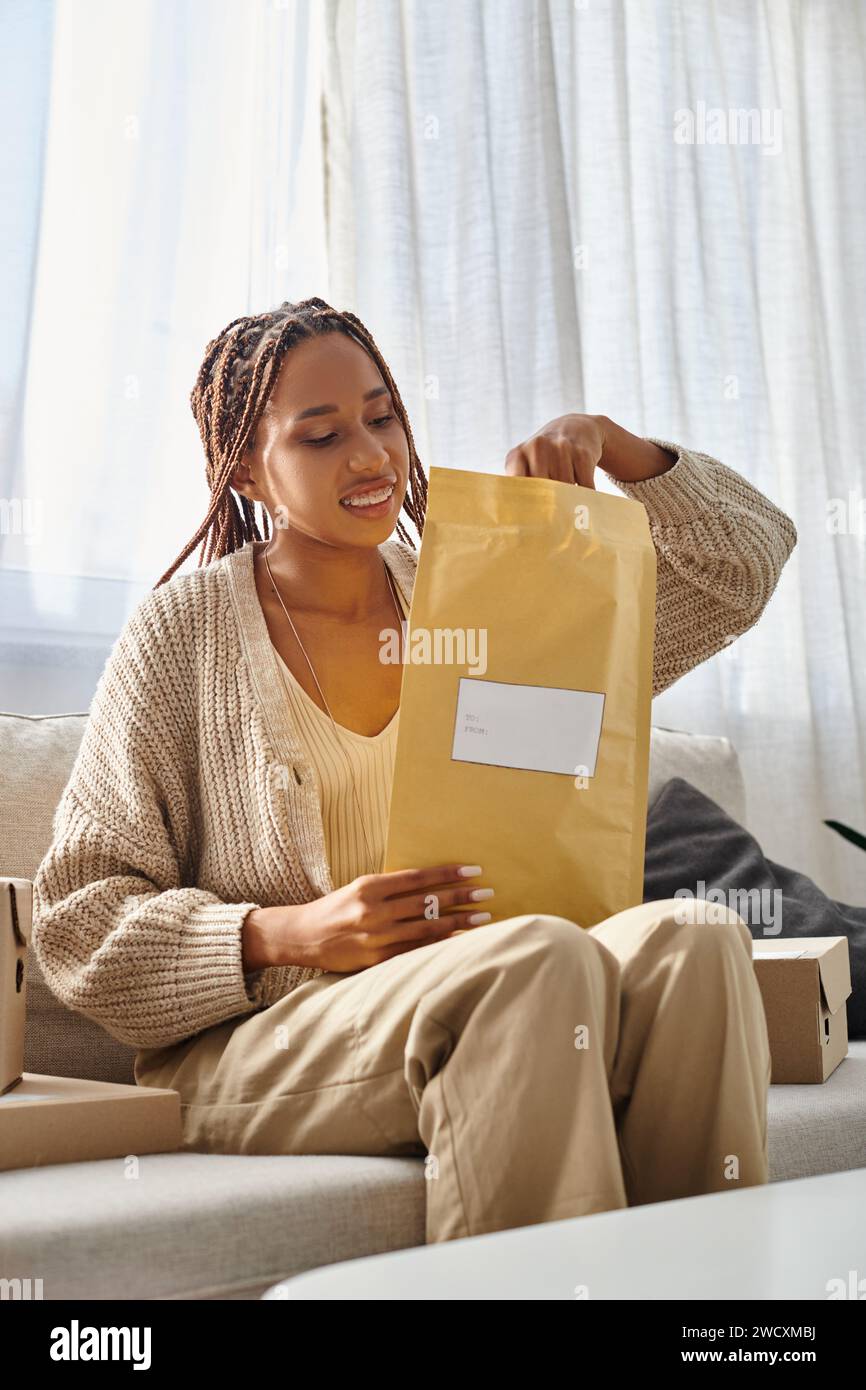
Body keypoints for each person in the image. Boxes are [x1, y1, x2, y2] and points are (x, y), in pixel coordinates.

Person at [31, 296, 797, 1244]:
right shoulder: (181, 638)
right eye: (321, 435)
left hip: (492, 984)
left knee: (697, 939)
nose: (371, 455)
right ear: (244, 470)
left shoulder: (479, 598)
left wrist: (614, 445)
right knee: (535, 959)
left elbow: (742, 568)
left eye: (382, 415)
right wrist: (286, 932)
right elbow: (76, 922)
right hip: (258, 1042)